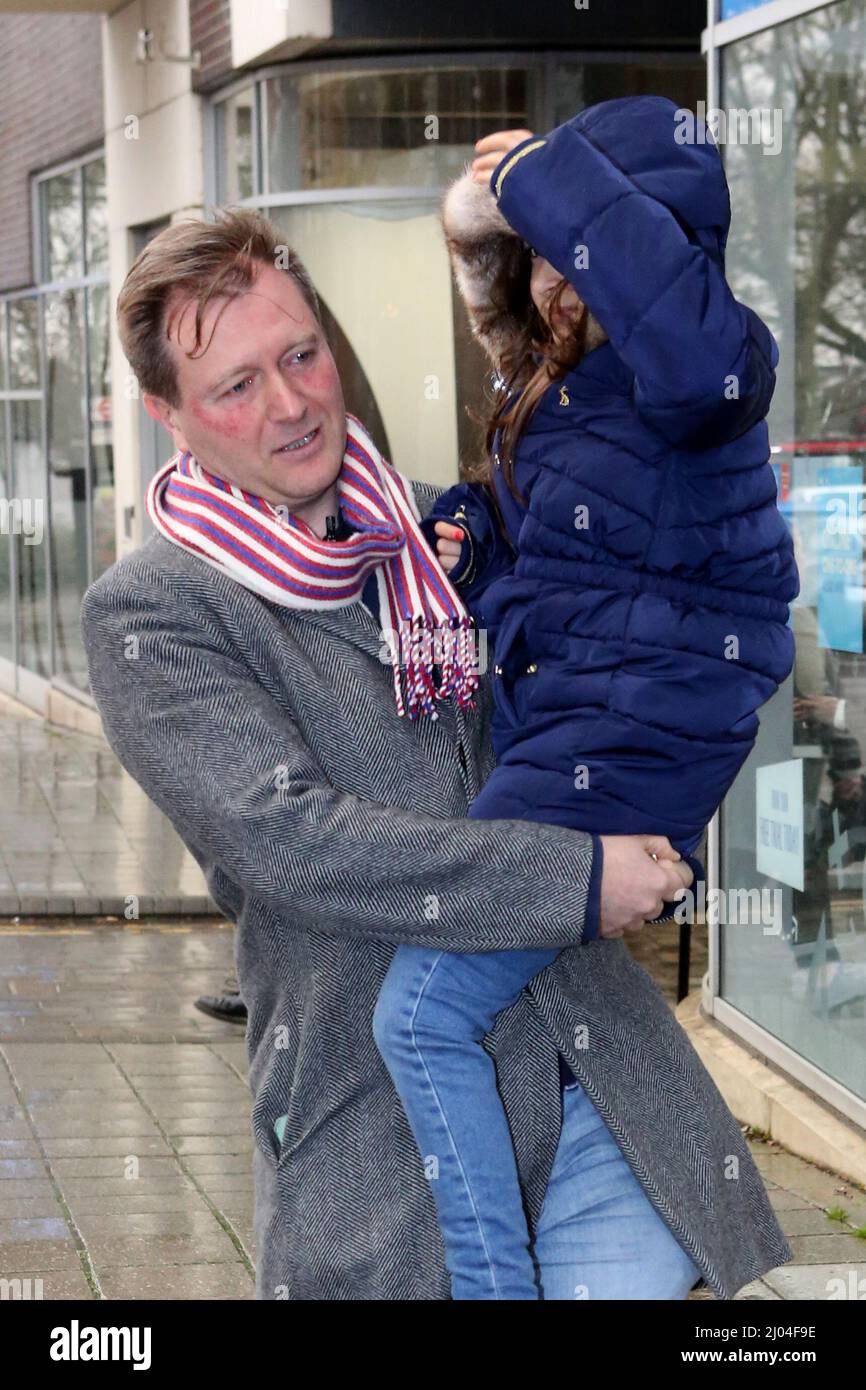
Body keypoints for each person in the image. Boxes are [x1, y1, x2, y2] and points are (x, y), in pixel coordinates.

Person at [80, 206, 792, 1300]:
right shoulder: (156, 611)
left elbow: (606, 607)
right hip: (388, 1139)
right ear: (168, 414)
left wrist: (694, 541)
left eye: (301, 354)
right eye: (234, 385)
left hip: (598, 1084)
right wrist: (574, 879)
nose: (289, 405)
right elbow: (298, 845)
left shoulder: (430, 529)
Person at [373, 97, 799, 1299]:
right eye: (540, 260)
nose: (555, 280)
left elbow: (680, 325)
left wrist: (539, 178)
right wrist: (464, 546)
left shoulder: (706, 378)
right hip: (587, 729)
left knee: (417, 1018)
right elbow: (551, 573)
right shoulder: (570, 398)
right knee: (439, 1010)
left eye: (575, 245)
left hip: (630, 730)